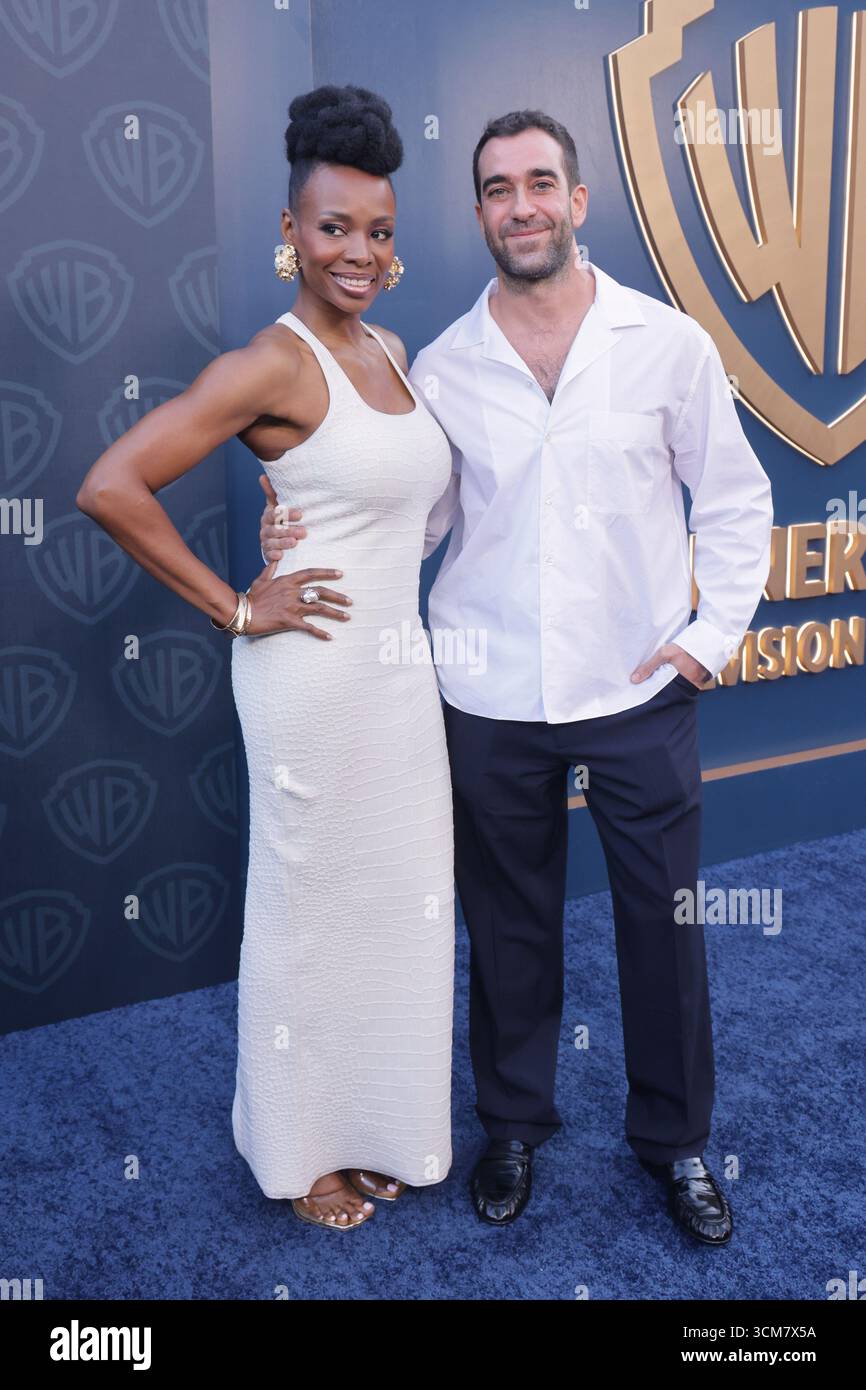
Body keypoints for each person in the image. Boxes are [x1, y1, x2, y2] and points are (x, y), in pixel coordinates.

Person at [261, 108, 774, 1244]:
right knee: (506, 927)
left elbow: (735, 502)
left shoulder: (665, 343)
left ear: (576, 201)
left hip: (638, 690)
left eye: (540, 182)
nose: (521, 204)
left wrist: (706, 637)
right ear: (481, 214)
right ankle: (509, 1125)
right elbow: (414, 518)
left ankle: (675, 1143)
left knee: (662, 923)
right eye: (497, 189)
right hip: (485, 695)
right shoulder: (440, 365)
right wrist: (295, 542)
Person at [76, 84, 457, 1231]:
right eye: (332, 226)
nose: (357, 249)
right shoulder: (271, 364)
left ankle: (380, 1125)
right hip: (310, 682)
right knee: (309, 909)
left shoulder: (387, 346)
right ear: (288, 231)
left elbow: (392, 505)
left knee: (395, 910)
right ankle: (300, 1154)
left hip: (398, 678)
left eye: (378, 231)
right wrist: (237, 606)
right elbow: (109, 485)